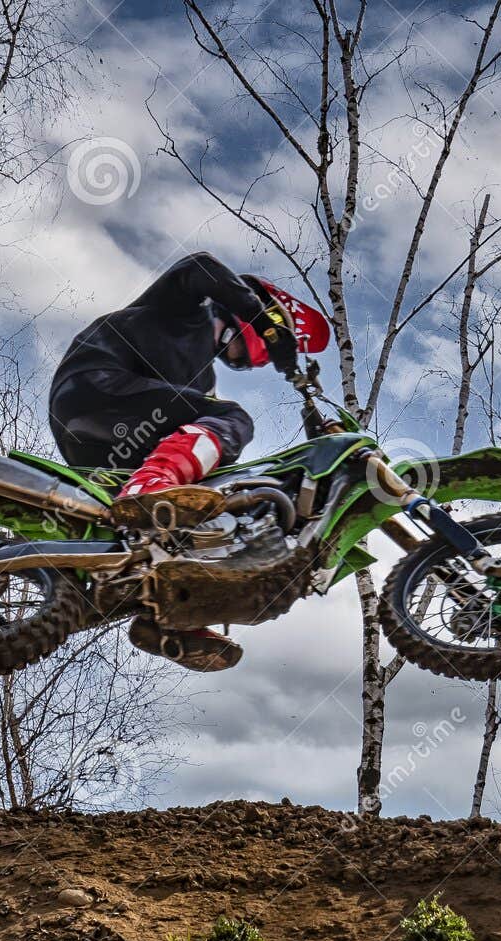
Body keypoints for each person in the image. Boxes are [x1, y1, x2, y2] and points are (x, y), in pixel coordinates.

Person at [48, 251, 329, 672]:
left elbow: (203, 452)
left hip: (107, 442)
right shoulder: (187, 309)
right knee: (233, 419)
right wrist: (267, 323)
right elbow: (199, 266)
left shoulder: (201, 382)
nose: (259, 364)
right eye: (263, 353)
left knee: (206, 493)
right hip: (97, 385)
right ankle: (149, 491)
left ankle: (166, 615)